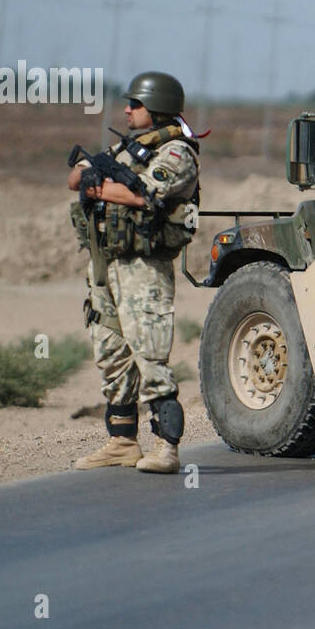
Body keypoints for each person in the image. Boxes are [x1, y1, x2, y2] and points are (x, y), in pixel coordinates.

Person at [68, 71, 200, 474]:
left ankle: (167, 450)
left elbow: (144, 195)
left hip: (145, 268)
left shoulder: (178, 154)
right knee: (111, 354)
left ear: (156, 108)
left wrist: (95, 185)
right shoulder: (125, 149)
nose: (126, 110)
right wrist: (90, 176)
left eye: (135, 104)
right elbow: (75, 175)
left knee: (150, 355)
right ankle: (122, 442)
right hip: (106, 266)